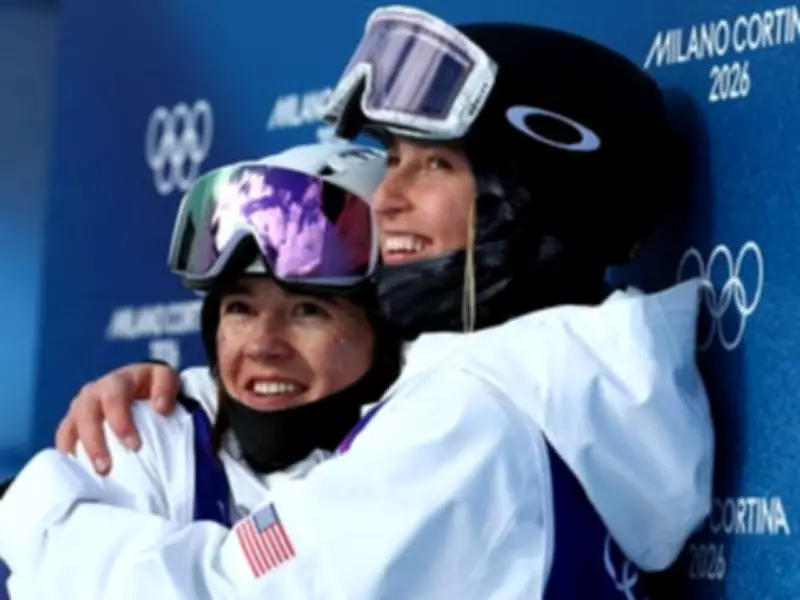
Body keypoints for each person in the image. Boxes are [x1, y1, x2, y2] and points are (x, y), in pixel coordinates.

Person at [25, 8, 713, 598]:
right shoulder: (566, 393)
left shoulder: (468, 420)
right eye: (393, 159)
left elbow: (229, 589)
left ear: (541, 198)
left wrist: (32, 516)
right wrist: (181, 397)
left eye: (436, 164)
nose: (388, 198)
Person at [0, 142, 402, 598]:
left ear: (388, 329)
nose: (262, 345)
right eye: (241, 309)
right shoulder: (149, 433)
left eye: (308, 311)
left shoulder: (432, 453)